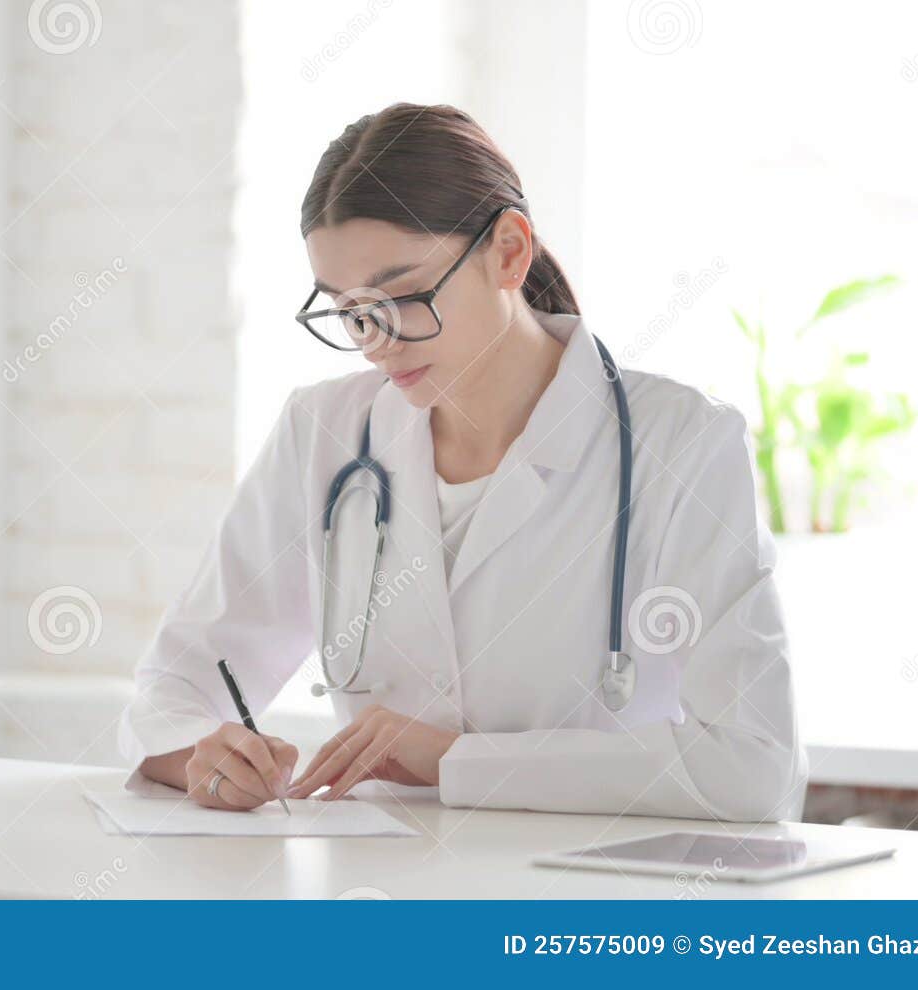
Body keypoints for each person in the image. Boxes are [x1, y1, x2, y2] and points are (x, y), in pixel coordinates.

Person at [118, 103, 806, 822]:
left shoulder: (683, 445)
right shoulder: (320, 434)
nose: (375, 341)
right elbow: (172, 690)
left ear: (509, 251)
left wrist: (456, 760)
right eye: (350, 311)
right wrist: (207, 755)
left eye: (403, 296)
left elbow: (755, 766)